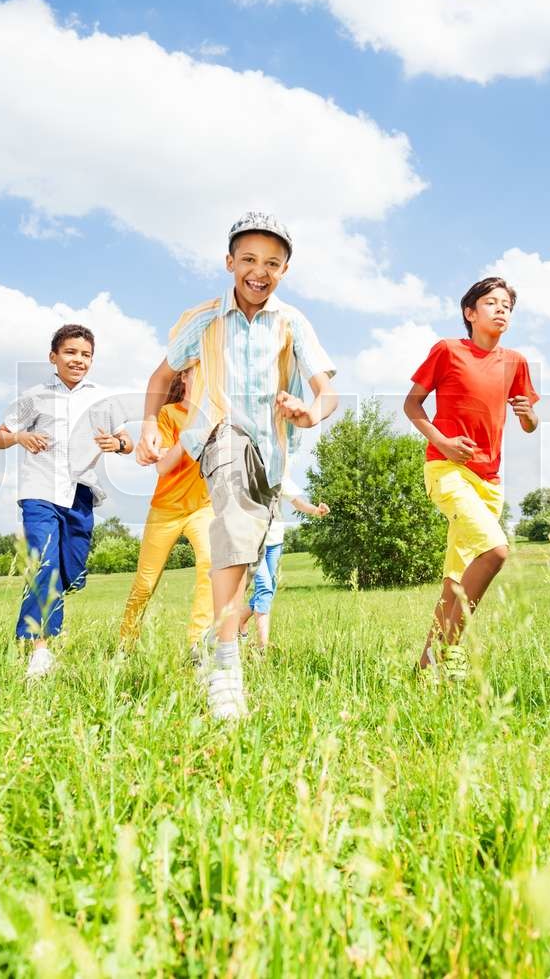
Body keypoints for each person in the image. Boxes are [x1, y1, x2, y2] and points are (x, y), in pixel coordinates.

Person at [136, 212, 337, 720]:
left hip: (270, 452)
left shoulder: (292, 322)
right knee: (230, 520)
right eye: (248, 259)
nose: (259, 271)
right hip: (217, 435)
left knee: (244, 549)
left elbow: (326, 392)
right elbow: (162, 377)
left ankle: (214, 645)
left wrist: (309, 412)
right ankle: (227, 666)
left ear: (285, 270)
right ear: (230, 262)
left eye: (272, 262)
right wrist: (146, 427)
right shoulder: (202, 318)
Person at [403, 276, 538, 678]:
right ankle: (450, 649)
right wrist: (443, 443)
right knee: (495, 551)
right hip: (447, 469)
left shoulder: (515, 362)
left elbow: (530, 423)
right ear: (470, 312)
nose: (502, 310)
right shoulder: (447, 351)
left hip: (490, 482)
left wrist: (529, 415)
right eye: (493, 303)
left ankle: (427, 665)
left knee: (457, 576)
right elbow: (411, 406)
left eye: (508, 306)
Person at [0, 323, 131, 679]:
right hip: (39, 491)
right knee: (43, 567)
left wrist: (119, 445)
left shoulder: (102, 398)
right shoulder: (35, 396)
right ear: (54, 357)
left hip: (81, 493)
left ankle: (53, 606)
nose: (78, 360)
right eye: (70, 352)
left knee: (69, 570)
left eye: (85, 355)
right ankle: (40, 651)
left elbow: (126, 440)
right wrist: (20, 436)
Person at [117, 366, 214, 651]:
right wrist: (191, 435)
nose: (205, 379)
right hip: (166, 510)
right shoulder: (168, 414)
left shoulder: (216, 416)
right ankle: (125, 646)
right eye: (199, 372)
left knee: (211, 565)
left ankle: (198, 644)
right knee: (145, 584)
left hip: (202, 508)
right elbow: (163, 466)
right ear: (183, 377)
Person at [238, 478, 329, 648]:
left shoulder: (277, 476)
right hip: (254, 541)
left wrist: (317, 511)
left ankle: (240, 620)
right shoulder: (248, 475)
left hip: (275, 543)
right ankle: (262, 648)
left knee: (268, 590)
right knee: (265, 588)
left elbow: (298, 503)